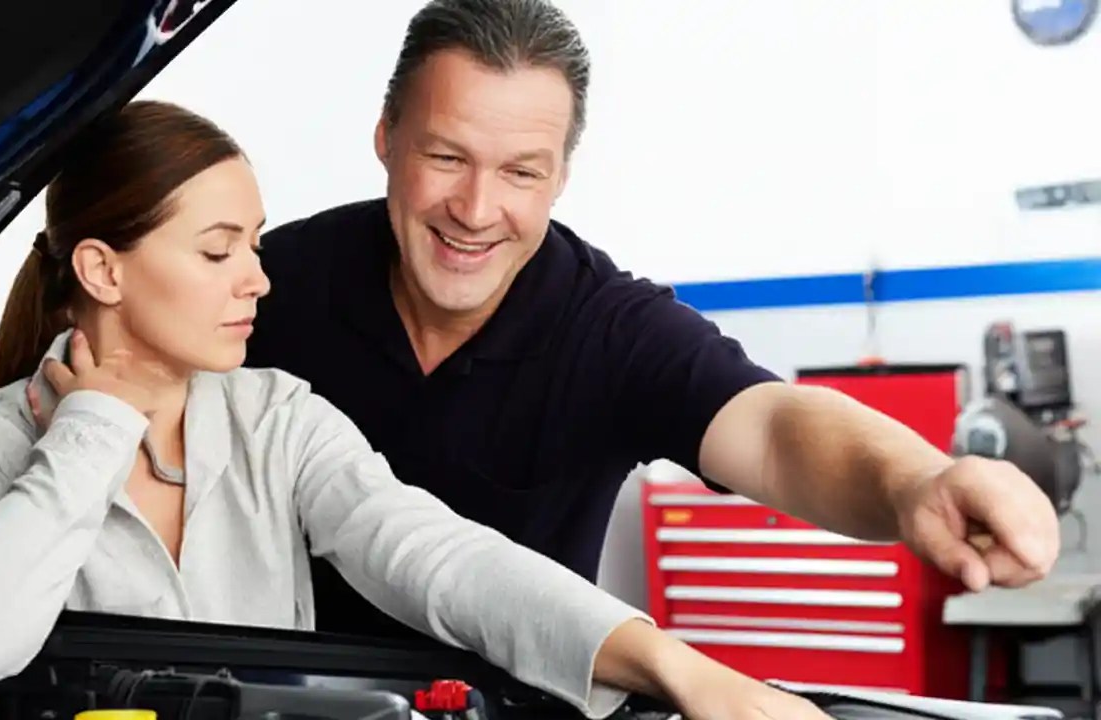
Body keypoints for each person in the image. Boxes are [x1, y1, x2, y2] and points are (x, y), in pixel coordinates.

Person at [0, 99, 836, 720]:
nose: (259, 280)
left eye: (256, 245)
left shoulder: (278, 419)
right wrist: (95, 428)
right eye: (219, 251)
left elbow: (436, 556)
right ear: (104, 269)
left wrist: (677, 667)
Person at [242, 0, 1061, 676]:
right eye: (447, 156)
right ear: (386, 138)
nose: (477, 207)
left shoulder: (607, 324)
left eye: (522, 171)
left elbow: (773, 428)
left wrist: (916, 481)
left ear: (561, 174)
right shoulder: (271, 282)